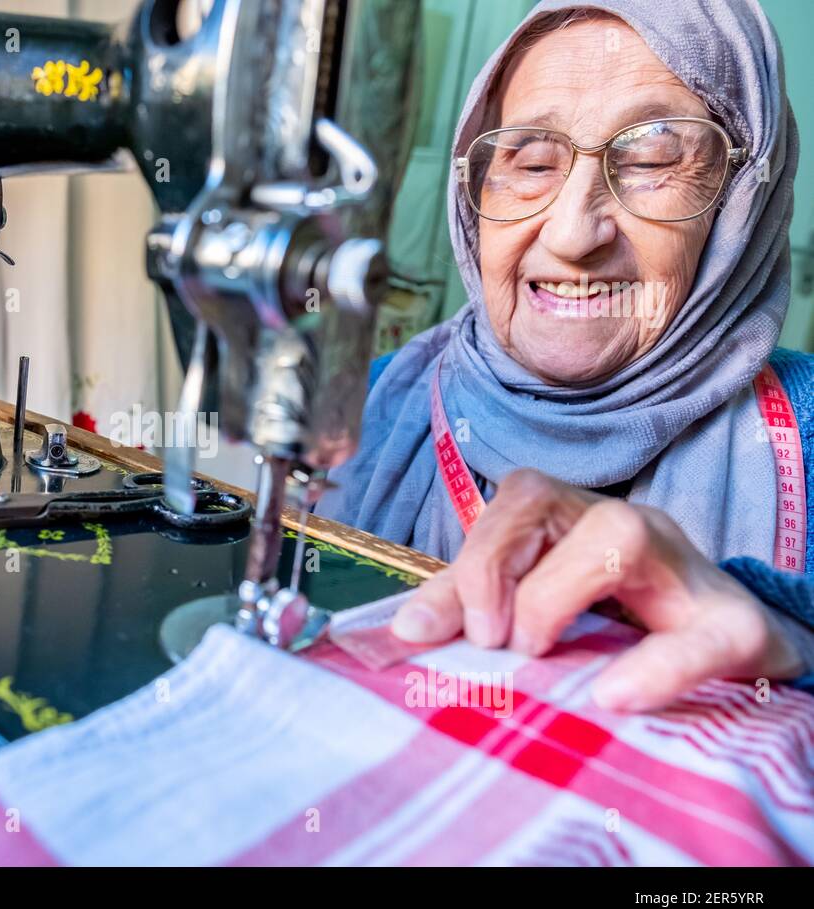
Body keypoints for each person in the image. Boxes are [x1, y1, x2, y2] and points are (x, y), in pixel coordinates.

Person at [317, 0, 814, 710]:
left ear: (740, 205)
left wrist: (792, 638)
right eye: (530, 161)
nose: (574, 233)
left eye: (651, 158)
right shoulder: (362, 409)